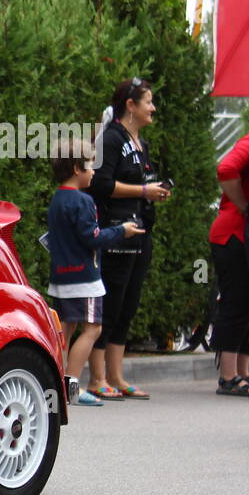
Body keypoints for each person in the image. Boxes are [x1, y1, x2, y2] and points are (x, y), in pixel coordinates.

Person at [86, 77, 171, 400]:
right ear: (130, 106)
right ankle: (96, 379)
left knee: (128, 305)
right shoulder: (110, 139)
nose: (153, 107)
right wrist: (143, 190)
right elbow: (101, 184)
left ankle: (117, 376)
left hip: (140, 231)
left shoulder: (140, 143)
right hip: (115, 231)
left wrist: (154, 192)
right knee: (110, 302)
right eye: (148, 101)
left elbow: (141, 181)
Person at [46, 140, 143, 406]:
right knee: (93, 329)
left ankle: (56, 383)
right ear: (77, 168)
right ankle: (72, 387)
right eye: (89, 165)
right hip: (84, 279)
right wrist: (122, 231)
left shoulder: (57, 199)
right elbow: (93, 237)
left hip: (61, 277)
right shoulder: (83, 201)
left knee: (65, 329)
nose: (93, 171)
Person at [208, 130, 249, 395]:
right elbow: (226, 168)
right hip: (232, 233)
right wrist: (244, 205)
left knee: (247, 305)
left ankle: (242, 372)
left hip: (240, 233)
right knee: (235, 302)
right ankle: (228, 375)